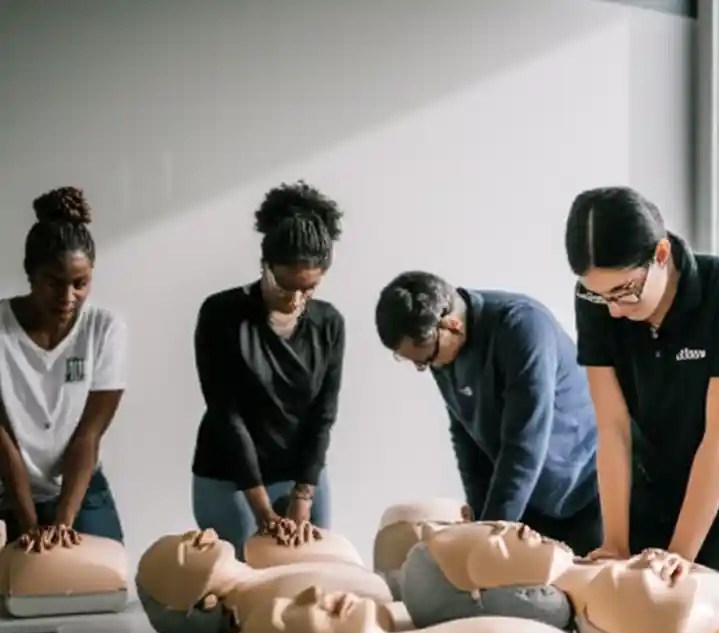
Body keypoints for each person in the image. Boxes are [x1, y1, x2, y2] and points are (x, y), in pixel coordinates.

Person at [565, 186, 719, 591]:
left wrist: (678, 555)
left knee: (709, 618)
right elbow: (612, 429)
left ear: (661, 255)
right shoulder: (597, 302)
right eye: (599, 295)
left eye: (624, 291)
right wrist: (614, 543)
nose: (613, 309)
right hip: (650, 489)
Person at [374, 272, 602, 556]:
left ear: (452, 326)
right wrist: (480, 523)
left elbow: (524, 444)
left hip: (588, 492)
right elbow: (466, 438)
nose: (427, 367)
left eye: (426, 360)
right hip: (528, 498)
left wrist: (490, 532)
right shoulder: (440, 354)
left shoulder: (523, 327)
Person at [191, 181, 346, 559]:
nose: (295, 300)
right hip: (229, 473)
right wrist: (261, 509)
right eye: (285, 286)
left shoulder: (329, 324)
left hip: (299, 472)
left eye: (308, 289)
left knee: (313, 568)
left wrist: (303, 495)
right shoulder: (221, 315)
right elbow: (227, 415)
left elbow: (323, 416)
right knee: (246, 576)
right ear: (265, 265)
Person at [0, 186, 128, 548]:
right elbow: (3, 441)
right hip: (6, 482)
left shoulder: (105, 328)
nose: (68, 297)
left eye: (80, 283)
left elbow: (89, 435)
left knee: (102, 582)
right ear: (31, 275)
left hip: (78, 485)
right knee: (19, 584)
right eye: (55, 283)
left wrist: (63, 521)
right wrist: (27, 523)